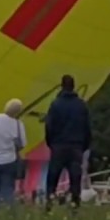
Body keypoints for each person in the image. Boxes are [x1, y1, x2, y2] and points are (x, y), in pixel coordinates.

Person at [44, 74, 92, 210]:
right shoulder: (81, 106)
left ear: (62, 86)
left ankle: (49, 204)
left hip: (58, 145)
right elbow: (87, 127)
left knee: (53, 176)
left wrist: (51, 143)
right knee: (75, 178)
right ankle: (75, 205)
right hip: (76, 145)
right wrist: (84, 145)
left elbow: (49, 126)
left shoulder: (55, 104)